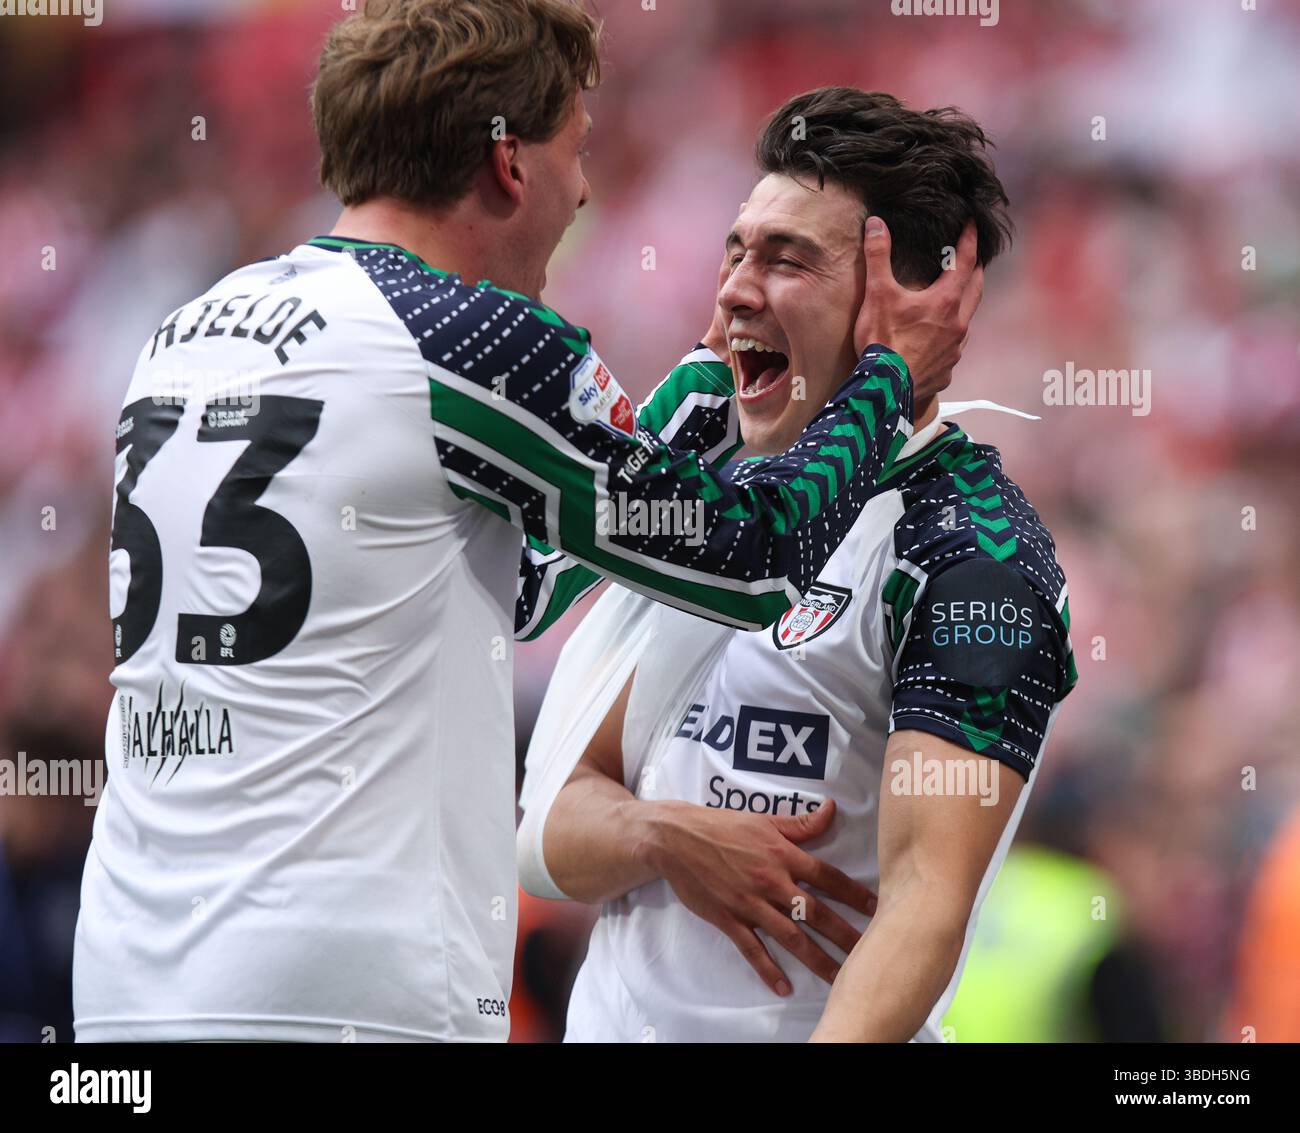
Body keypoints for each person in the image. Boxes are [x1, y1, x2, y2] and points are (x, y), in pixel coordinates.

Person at [72, 5, 979, 1043]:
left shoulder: (187, 328)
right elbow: (757, 559)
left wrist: (710, 376)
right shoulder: (465, 338)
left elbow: (508, 578)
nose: (583, 189)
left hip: (126, 976)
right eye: (575, 146)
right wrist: (884, 380)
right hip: (337, 989)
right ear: (508, 159)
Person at [520, 87, 1077, 1043]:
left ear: (902, 297)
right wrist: (665, 834)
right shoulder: (715, 513)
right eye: (736, 250)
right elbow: (549, 824)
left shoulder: (975, 551)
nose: (735, 289)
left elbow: (925, 904)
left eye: (788, 260)